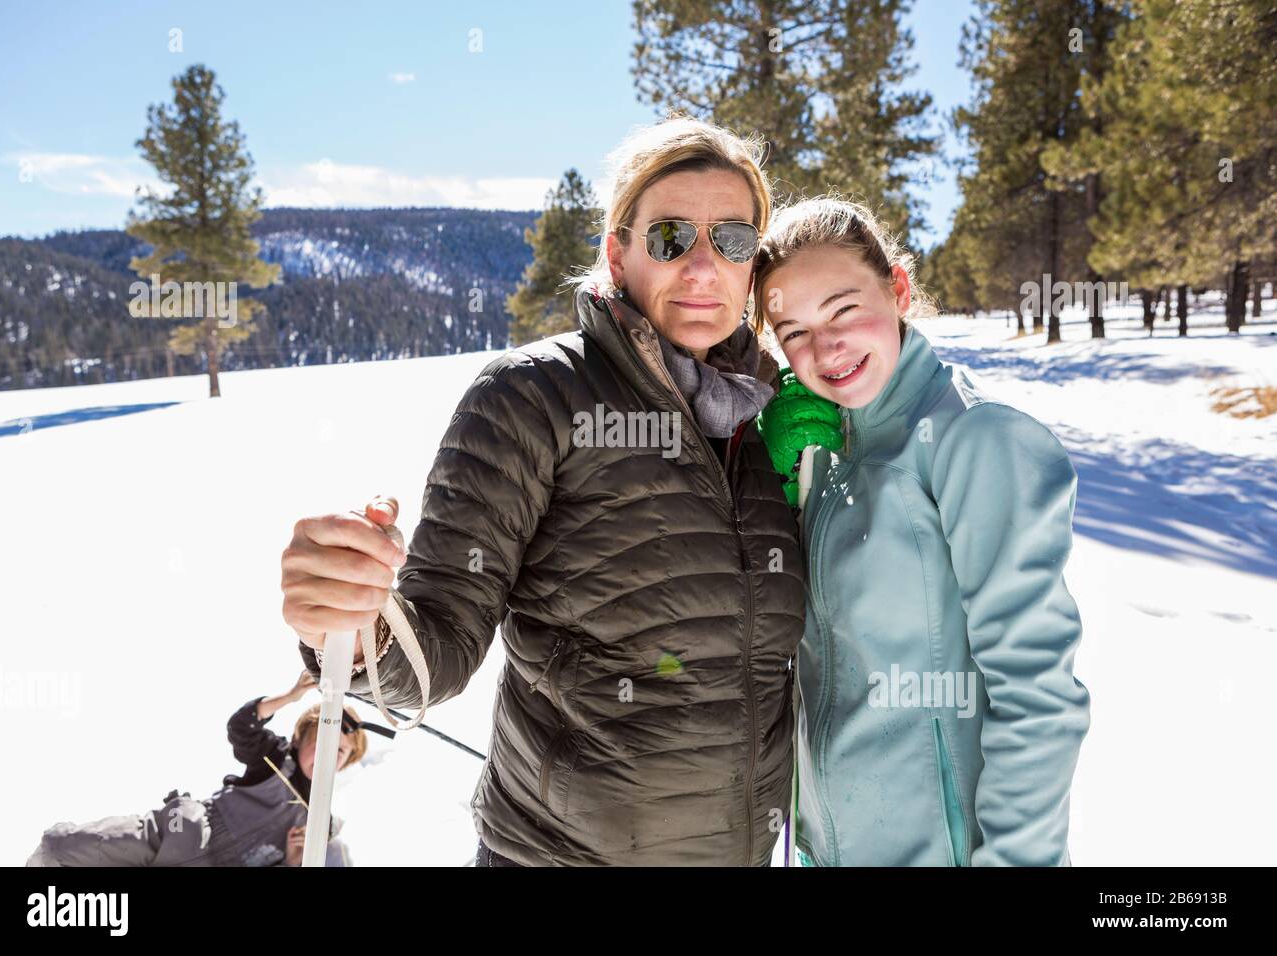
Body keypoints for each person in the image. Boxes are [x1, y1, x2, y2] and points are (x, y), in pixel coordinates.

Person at [279, 116, 806, 866]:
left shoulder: (773, 421)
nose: (701, 266)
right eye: (668, 238)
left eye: (731, 239)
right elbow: (440, 650)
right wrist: (354, 620)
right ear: (618, 254)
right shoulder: (533, 397)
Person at [754, 195, 1091, 866]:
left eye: (844, 310)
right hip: (829, 847)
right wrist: (774, 495)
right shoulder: (819, 444)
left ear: (898, 288)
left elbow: (1037, 693)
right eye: (792, 331)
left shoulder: (976, 438)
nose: (824, 348)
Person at [27, 672, 364, 866]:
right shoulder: (276, 758)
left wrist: (293, 862)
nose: (328, 756)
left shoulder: (320, 824)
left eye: (340, 753)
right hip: (185, 834)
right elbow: (242, 729)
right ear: (301, 737)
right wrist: (290, 696)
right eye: (322, 742)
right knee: (60, 848)